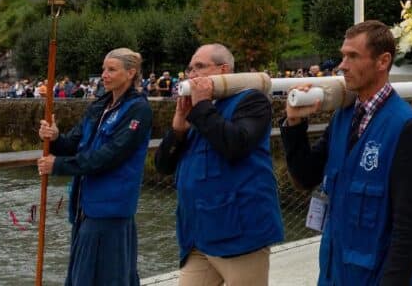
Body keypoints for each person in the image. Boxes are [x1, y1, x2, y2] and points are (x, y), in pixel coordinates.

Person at [283, 20, 412, 285]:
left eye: (353, 56)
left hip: (375, 276)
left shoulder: (406, 127)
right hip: (334, 272)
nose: (342, 65)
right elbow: (305, 177)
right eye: (343, 56)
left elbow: (410, 227)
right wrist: (294, 124)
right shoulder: (343, 117)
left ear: (383, 61)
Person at [154, 44, 284, 285]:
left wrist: (202, 106)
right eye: (190, 68)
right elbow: (163, 166)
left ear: (223, 70)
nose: (192, 74)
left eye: (200, 67)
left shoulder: (252, 101)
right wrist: (178, 131)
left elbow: (235, 145)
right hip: (197, 235)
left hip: (239, 234)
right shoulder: (197, 110)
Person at [37, 48, 152, 286]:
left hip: (110, 208)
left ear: (130, 73)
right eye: (103, 69)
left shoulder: (138, 110)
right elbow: (73, 143)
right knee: (82, 274)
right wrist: (55, 138)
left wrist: (58, 165)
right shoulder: (99, 106)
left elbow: (109, 156)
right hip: (84, 205)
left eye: (112, 70)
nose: (104, 75)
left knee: (108, 276)